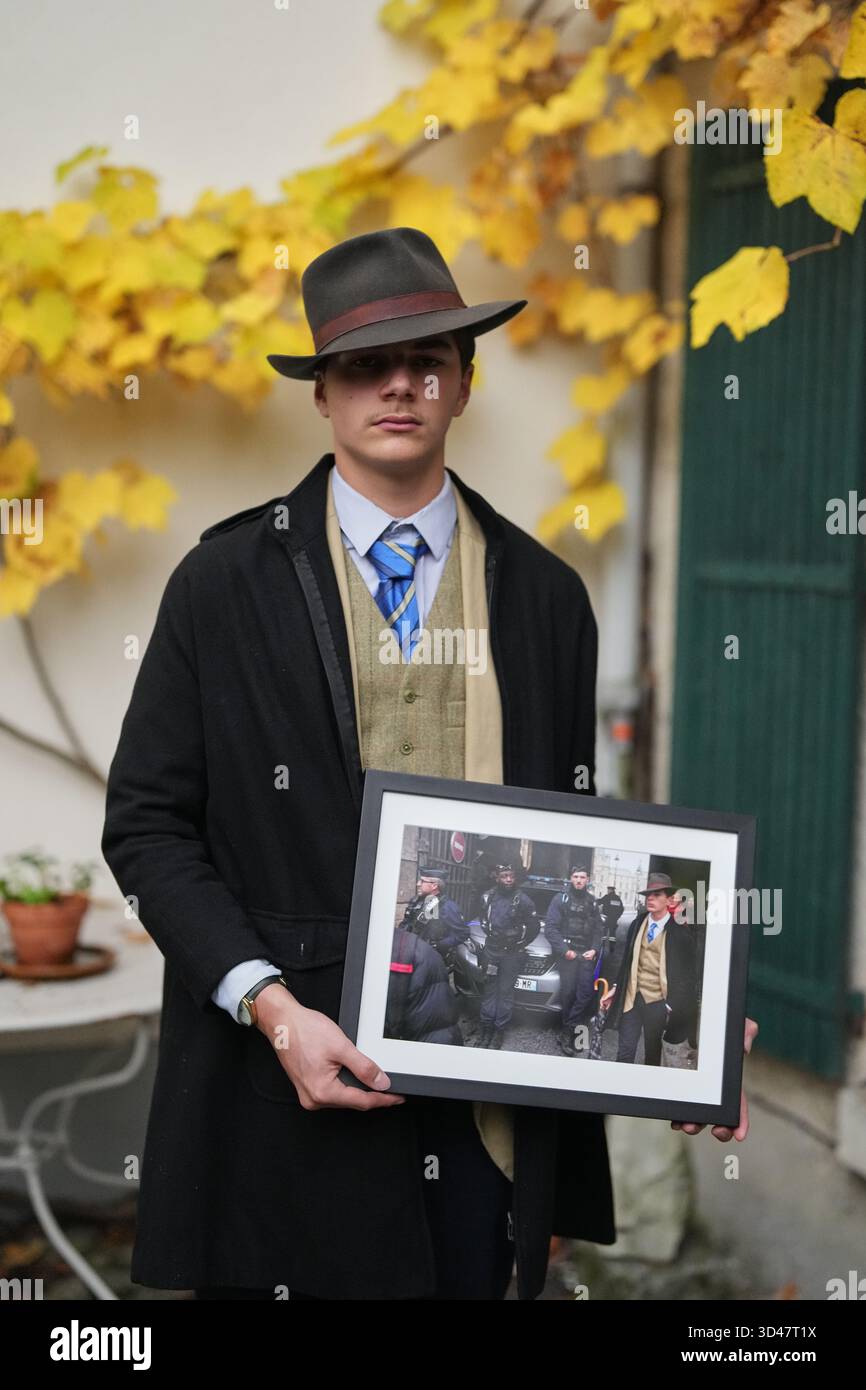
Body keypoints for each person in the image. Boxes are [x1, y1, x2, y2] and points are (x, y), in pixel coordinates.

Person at [101, 225, 754, 1304]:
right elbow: (146, 829)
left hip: (489, 1111)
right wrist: (271, 1006)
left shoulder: (546, 598)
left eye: (428, 359)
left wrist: (688, 1006)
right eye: (364, 363)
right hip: (281, 1102)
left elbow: (568, 849)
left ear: (460, 382)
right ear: (322, 391)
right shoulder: (219, 586)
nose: (398, 383)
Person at [602, 873, 698, 1066]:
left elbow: (689, 976)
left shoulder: (680, 933)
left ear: (669, 899)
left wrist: (671, 1005)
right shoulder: (638, 924)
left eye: (657, 894)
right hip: (632, 998)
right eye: (648, 895)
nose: (650, 899)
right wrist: (615, 988)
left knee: (652, 1056)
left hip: (658, 1002)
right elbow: (626, 962)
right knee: (624, 1054)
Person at [474, 862, 541, 1049]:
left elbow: (534, 928)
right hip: (492, 952)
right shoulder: (487, 897)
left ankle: (498, 1032)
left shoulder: (524, 900)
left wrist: (521, 943)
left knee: (505, 993)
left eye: (511, 876)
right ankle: (485, 1030)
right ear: (497, 877)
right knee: (489, 992)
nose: (509, 879)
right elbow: (482, 920)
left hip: (511, 955)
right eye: (504, 876)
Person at [544, 867, 604, 1056]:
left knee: (585, 995)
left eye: (582, 877)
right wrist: (564, 951)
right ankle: (571, 1035)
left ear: (588, 880)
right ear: (571, 878)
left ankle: (567, 1032)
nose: (579, 880)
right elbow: (551, 928)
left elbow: (598, 930)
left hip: (585, 953)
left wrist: (594, 949)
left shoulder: (593, 902)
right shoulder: (560, 899)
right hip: (568, 953)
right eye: (575, 877)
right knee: (568, 994)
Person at [400, 866, 469, 962]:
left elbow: (463, 933)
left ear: (434, 885)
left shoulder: (447, 907)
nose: (418, 884)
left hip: (431, 959)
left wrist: (439, 945)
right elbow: (406, 923)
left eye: (422, 881)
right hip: (411, 954)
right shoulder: (416, 901)